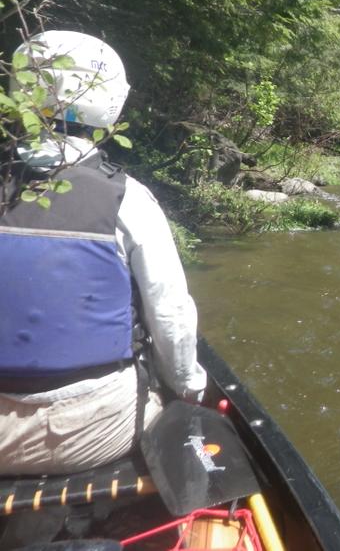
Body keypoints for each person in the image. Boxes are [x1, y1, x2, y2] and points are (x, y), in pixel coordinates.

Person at [0, 30, 206, 476]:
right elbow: (169, 314)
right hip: (89, 431)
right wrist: (188, 389)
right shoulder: (127, 198)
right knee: (172, 403)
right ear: (110, 103)